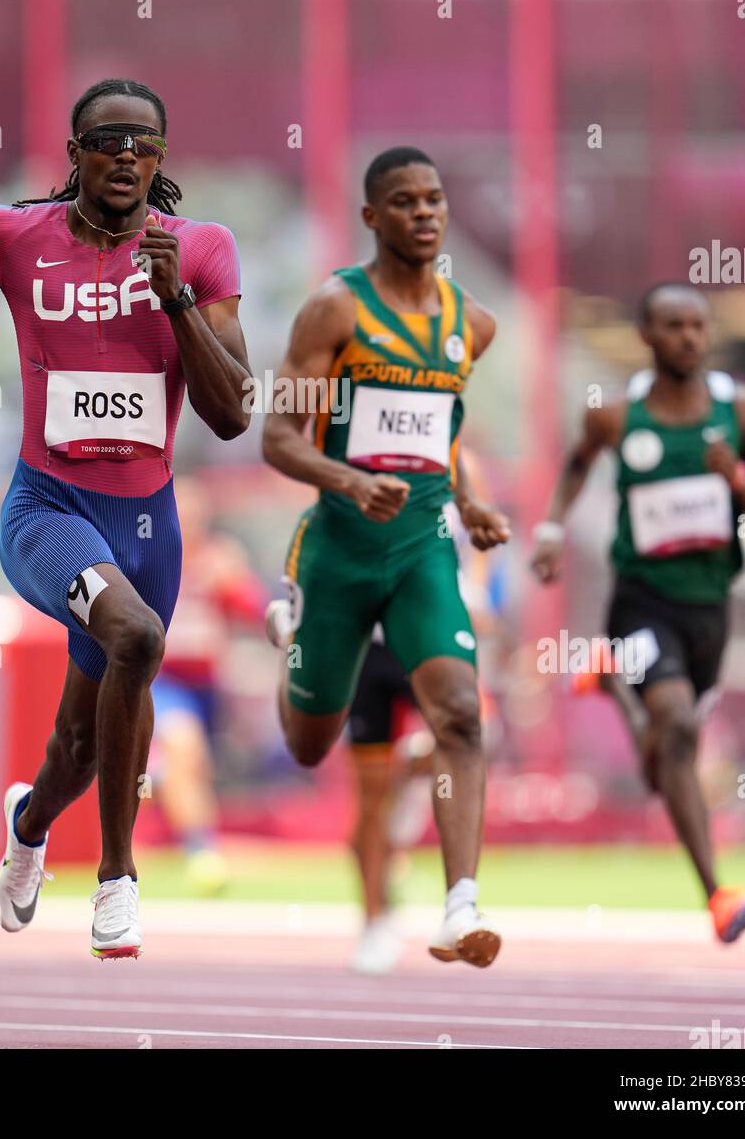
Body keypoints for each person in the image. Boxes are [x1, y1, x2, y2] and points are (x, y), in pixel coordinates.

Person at [0, 78, 251, 959]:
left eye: (144, 144)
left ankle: (29, 824)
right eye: (108, 139)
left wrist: (173, 302)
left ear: (163, 160)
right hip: (48, 508)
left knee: (79, 745)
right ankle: (119, 881)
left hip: (148, 524)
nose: (126, 155)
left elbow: (233, 413)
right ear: (76, 152)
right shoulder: (11, 235)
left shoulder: (200, 251)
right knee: (134, 637)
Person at [262, 146, 510, 968]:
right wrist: (348, 480)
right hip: (339, 553)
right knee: (306, 743)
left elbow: (440, 424)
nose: (425, 213)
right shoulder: (334, 311)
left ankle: (459, 905)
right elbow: (278, 438)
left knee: (461, 715)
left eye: (435, 198)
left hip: (423, 550)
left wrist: (467, 500)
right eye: (404, 202)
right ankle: (291, 635)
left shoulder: (470, 324)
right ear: (372, 217)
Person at [531, 283, 745, 944]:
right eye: (672, 327)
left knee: (663, 758)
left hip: (710, 609)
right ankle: (717, 893)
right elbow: (575, 466)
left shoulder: (743, 413)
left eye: (698, 326)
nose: (688, 338)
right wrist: (554, 531)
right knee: (674, 723)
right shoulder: (617, 417)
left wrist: (734, 478)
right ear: (646, 336)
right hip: (641, 604)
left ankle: (611, 683)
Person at [341, 448, 507, 974]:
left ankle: (416, 771)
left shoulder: (461, 460)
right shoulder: (349, 450)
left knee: (477, 731)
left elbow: (479, 531)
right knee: (369, 796)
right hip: (368, 640)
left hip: (434, 634)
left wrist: (476, 590)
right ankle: (373, 924)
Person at [149, 475, 268, 894]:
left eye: (195, 515)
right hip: (160, 679)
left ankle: (160, 779)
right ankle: (201, 852)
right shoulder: (146, 555)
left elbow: (255, 610)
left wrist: (233, 587)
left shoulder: (220, 558)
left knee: (196, 766)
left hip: (208, 685)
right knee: (185, 745)